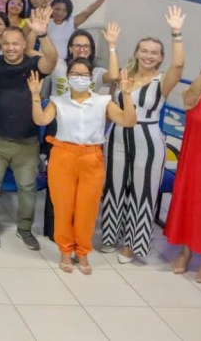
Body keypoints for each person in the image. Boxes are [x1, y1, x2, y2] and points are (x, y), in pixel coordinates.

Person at [30, 61, 136, 274]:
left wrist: (126, 95)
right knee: (63, 207)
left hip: (91, 157)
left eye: (84, 74)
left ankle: (83, 252)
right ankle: (64, 250)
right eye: (75, 73)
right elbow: (41, 120)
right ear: (67, 77)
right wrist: (35, 96)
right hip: (63, 156)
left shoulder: (102, 101)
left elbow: (128, 121)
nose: (80, 77)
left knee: (87, 209)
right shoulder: (58, 101)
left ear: (91, 78)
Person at [0, 6, 58, 249]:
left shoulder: (33, 64)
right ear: (1, 43)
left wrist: (43, 35)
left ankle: (25, 229)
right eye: (6, 43)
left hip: (27, 140)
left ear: (22, 45)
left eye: (16, 44)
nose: (11, 48)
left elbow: (52, 60)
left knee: (27, 187)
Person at [101, 6, 186, 263]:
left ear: (160, 58)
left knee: (142, 191)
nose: (149, 56)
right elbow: (110, 98)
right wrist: (112, 46)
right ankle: (110, 234)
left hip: (147, 140)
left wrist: (176, 33)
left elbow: (179, 63)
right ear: (137, 53)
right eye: (144, 51)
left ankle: (132, 244)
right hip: (116, 136)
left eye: (154, 53)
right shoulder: (125, 75)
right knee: (114, 186)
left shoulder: (163, 80)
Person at [165, 48, 201, 284]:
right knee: (192, 206)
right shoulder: (197, 96)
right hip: (195, 163)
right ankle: (186, 251)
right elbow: (188, 97)